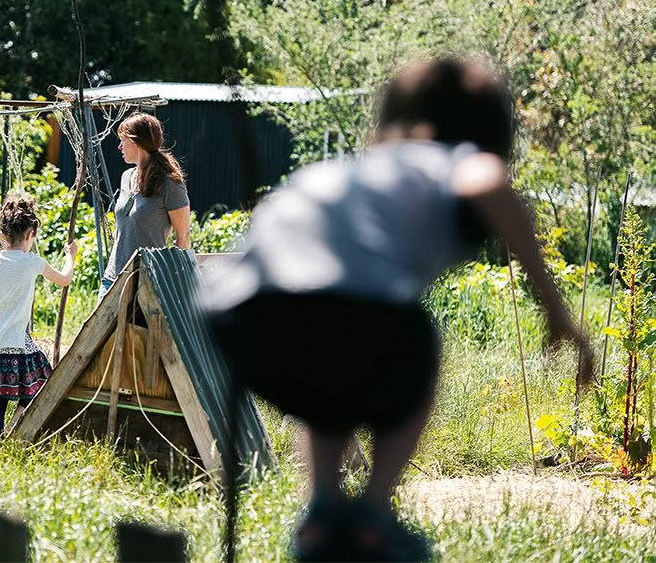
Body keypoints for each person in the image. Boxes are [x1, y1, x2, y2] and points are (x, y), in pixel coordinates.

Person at [202, 57, 594, 561]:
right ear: (485, 129)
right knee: (415, 339)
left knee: (329, 378)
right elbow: (490, 183)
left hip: (240, 317)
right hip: (333, 308)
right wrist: (558, 315)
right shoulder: (451, 158)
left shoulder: (357, 167)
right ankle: (374, 512)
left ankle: (323, 511)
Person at [0, 192, 78, 433]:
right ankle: (14, 427)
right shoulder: (31, 262)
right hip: (14, 343)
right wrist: (71, 257)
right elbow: (65, 280)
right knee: (43, 379)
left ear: (3, 235)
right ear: (29, 234)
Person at [99, 112, 191, 300]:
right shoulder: (126, 177)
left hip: (147, 281)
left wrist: (177, 283)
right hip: (112, 279)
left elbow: (183, 236)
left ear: (135, 142)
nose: (119, 147)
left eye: (122, 140)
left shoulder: (169, 184)